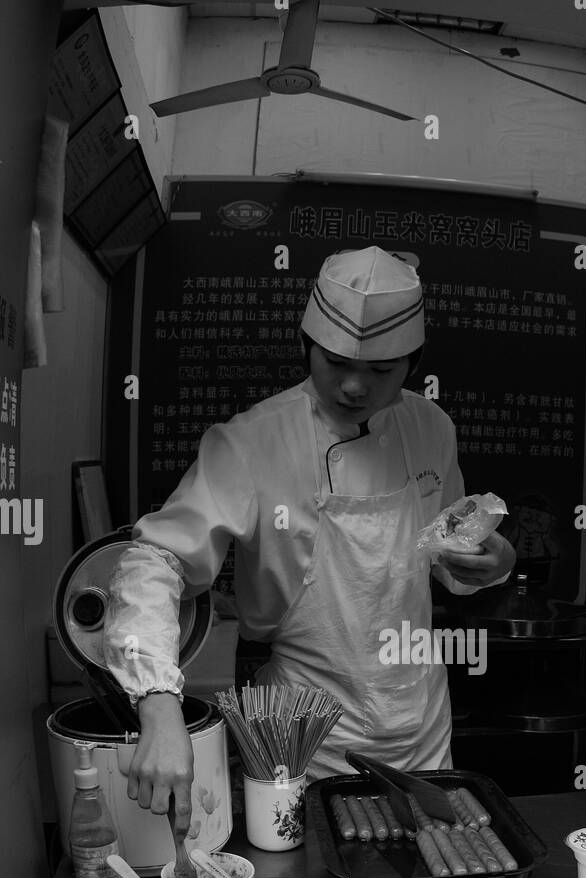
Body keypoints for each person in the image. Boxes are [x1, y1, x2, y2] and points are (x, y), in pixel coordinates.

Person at [105, 246, 515, 833]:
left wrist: (491, 561)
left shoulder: (431, 429)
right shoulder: (250, 443)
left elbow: (445, 550)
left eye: (381, 371)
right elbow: (155, 558)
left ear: (414, 361)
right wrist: (158, 704)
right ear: (306, 345)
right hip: (303, 731)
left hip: (420, 719)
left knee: (433, 866)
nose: (354, 386)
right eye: (334, 362)